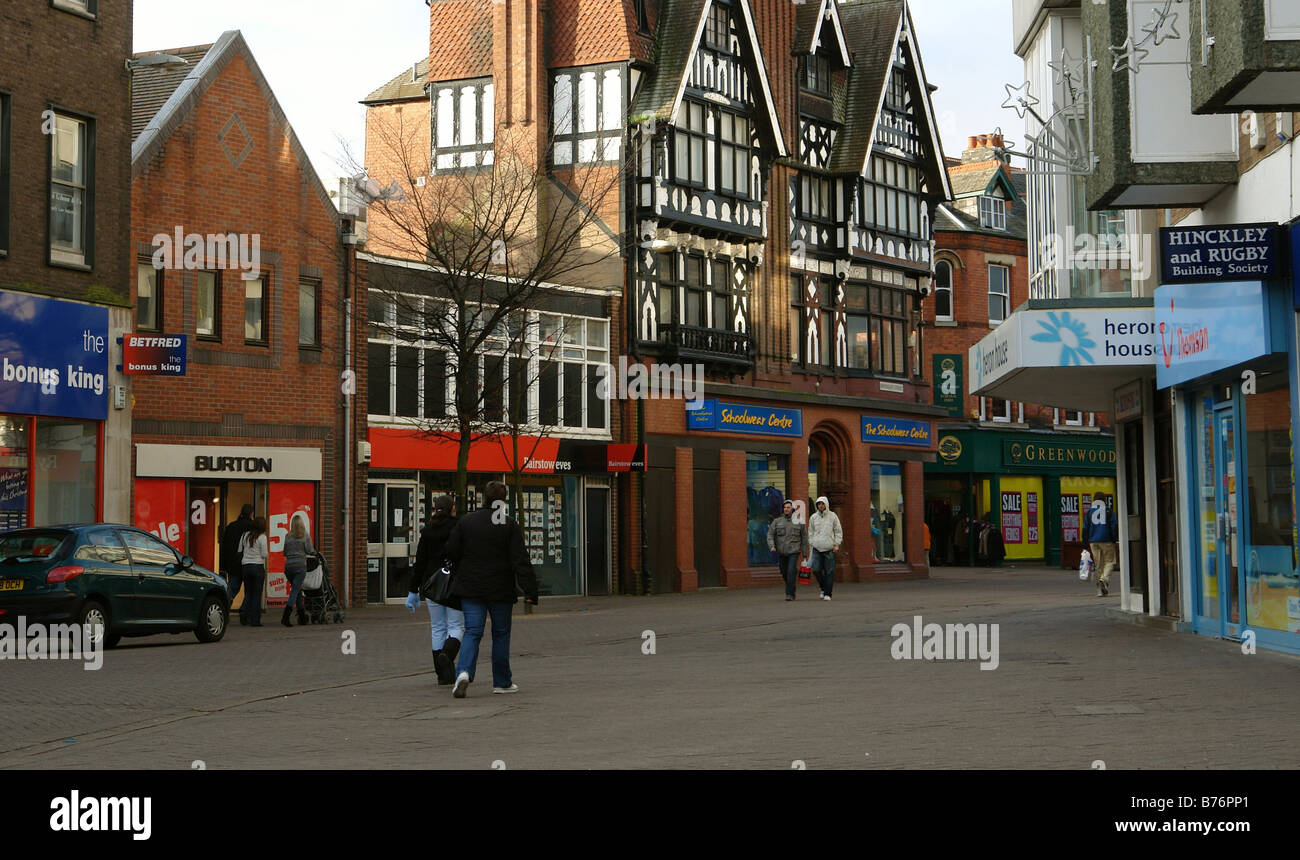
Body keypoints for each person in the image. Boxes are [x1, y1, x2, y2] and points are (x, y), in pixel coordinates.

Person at [444, 481, 539, 698]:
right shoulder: (509, 525)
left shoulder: (467, 521)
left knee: (473, 631)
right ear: (504, 501)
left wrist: (463, 567)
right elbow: (520, 560)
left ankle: (464, 672)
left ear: (483, 497)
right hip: (500, 589)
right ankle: (502, 682)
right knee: (501, 634)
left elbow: (451, 550)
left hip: (471, 587)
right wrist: (530, 590)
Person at [405, 494, 465, 684]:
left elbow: (420, 562)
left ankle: (442, 675)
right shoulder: (459, 527)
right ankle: (447, 655)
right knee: (456, 626)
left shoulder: (427, 531)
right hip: (454, 584)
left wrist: (413, 590)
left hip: (432, 585)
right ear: (452, 508)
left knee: (437, 627)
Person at [219, 504, 255, 624]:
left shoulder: (231, 527)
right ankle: (244, 611)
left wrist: (223, 565)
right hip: (249, 562)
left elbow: (223, 547)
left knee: (233, 588)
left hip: (233, 563)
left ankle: (223, 609)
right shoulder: (252, 528)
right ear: (251, 514)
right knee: (250, 590)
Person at [767, 500, 807, 601]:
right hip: (781, 551)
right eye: (785, 507)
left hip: (794, 551)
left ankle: (789, 594)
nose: (786, 509)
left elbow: (804, 538)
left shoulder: (799, 521)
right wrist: (772, 545)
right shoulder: (777, 521)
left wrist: (805, 553)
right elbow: (770, 534)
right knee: (784, 572)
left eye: (788, 507)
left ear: (792, 509)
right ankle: (791, 586)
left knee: (790, 571)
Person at [281, 514, 314, 627]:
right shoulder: (305, 536)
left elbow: (284, 552)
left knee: (297, 590)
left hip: (289, 567)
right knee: (295, 590)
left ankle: (302, 615)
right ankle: (286, 616)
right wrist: (315, 553)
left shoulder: (287, 536)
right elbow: (310, 550)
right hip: (300, 567)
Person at [808, 495, 842, 601]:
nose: (821, 506)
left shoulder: (833, 516)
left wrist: (837, 544)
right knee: (816, 570)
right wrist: (812, 542)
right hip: (817, 548)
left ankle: (828, 593)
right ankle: (823, 588)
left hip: (829, 548)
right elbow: (810, 531)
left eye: (822, 504)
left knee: (829, 572)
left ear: (826, 504)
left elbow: (838, 531)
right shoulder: (813, 517)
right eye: (819, 504)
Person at [237, 516, 269, 626]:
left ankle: (244, 610)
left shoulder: (244, 535)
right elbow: (264, 554)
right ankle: (255, 620)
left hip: (245, 566)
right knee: (256, 594)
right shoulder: (262, 537)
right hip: (257, 567)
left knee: (248, 592)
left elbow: (239, 550)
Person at [1087, 495, 1119, 596]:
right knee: (1110, 561)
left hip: (1093, 541)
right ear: (1104, 500)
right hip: (1106, 540)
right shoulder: (1109, 512)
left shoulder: (1089, 512)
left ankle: (1099, 591)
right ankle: (1104, 579)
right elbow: (1114, 526)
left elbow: (1085, 527)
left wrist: (1085, 542)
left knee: (1098, 565)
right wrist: (1115, 539)